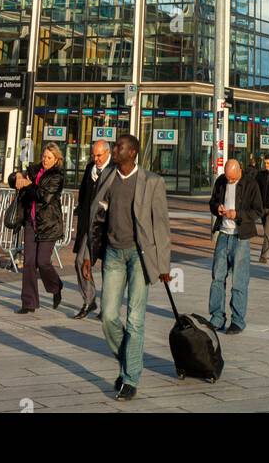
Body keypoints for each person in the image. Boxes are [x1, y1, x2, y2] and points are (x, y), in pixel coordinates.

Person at [84, 134, 171, 402]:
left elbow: (161, 226)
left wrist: (164, 265)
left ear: (132, 152)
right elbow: (96, 216)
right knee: (108, 315)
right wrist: (89, 254)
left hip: (139, 256)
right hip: (112, 253)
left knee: (135, 319)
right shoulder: (108, 178)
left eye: (119, 146)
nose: (114, 149)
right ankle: (129, 360)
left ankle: (130, 377)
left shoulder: (152, 182)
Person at [208, 157, 263, 334]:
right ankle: (217, 317)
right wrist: (218, 208)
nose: (229, 180)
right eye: (228, 177)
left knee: (239, 280)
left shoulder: (250, 184)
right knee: (217, 277)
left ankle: (238, 320)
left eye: (232, 178)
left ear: (239, 171)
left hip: (241, 237)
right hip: (223, 234)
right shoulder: (221, 181)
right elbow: (212, 202)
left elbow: (257, 211)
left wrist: (237, 214)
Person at [12, 142, 66, 314]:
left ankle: (56, 286)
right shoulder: (34, 170)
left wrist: (28, 185)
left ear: (57, 159)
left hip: (49, 224)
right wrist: (18, 176)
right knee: (28, 262)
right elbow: (13, 179)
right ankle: (29, 303)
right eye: (44, 156)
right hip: (31, 221)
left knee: (42, 262)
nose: (45, 160)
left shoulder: (57, 176)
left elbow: (43, 196)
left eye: (49, 158)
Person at [72, 138, 112, 319]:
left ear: (108, 153)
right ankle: (89, 300)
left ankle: (108, 307)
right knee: (80, 261)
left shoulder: (114, 170)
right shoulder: (90, 168)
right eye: (94, 155)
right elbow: (83, 194)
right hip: (88, 225)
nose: (96, 159)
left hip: (106, 227)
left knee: (107, 268)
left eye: (99, 155)